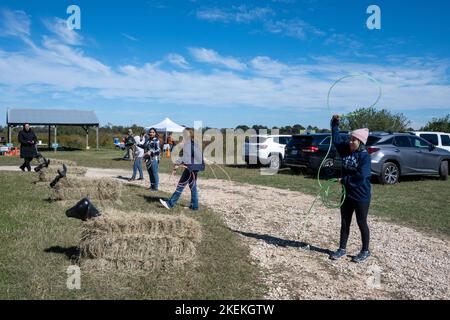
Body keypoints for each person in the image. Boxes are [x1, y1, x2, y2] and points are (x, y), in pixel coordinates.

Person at [329, 115, 372, 263]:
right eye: (350, 139)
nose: (350, 142)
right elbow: (335, 139)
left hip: (361, 196)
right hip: (347, 194)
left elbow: (362, 177)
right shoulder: (346, 150)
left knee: (361, 222)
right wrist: (335, 123)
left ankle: (365, 251)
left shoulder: (365, 157)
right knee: (345, 222)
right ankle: (342, 249)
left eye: (353, 140)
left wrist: (344, 180)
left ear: (360, 142)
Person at [159, 128, 205, 211]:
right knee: (193, 187)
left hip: (191, 169)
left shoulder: (189, 144)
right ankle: (194, 206)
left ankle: (170, 204)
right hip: (193, 168)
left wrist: (178, 164)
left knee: (181, 185)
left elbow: (187, 157)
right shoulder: (191, 143)